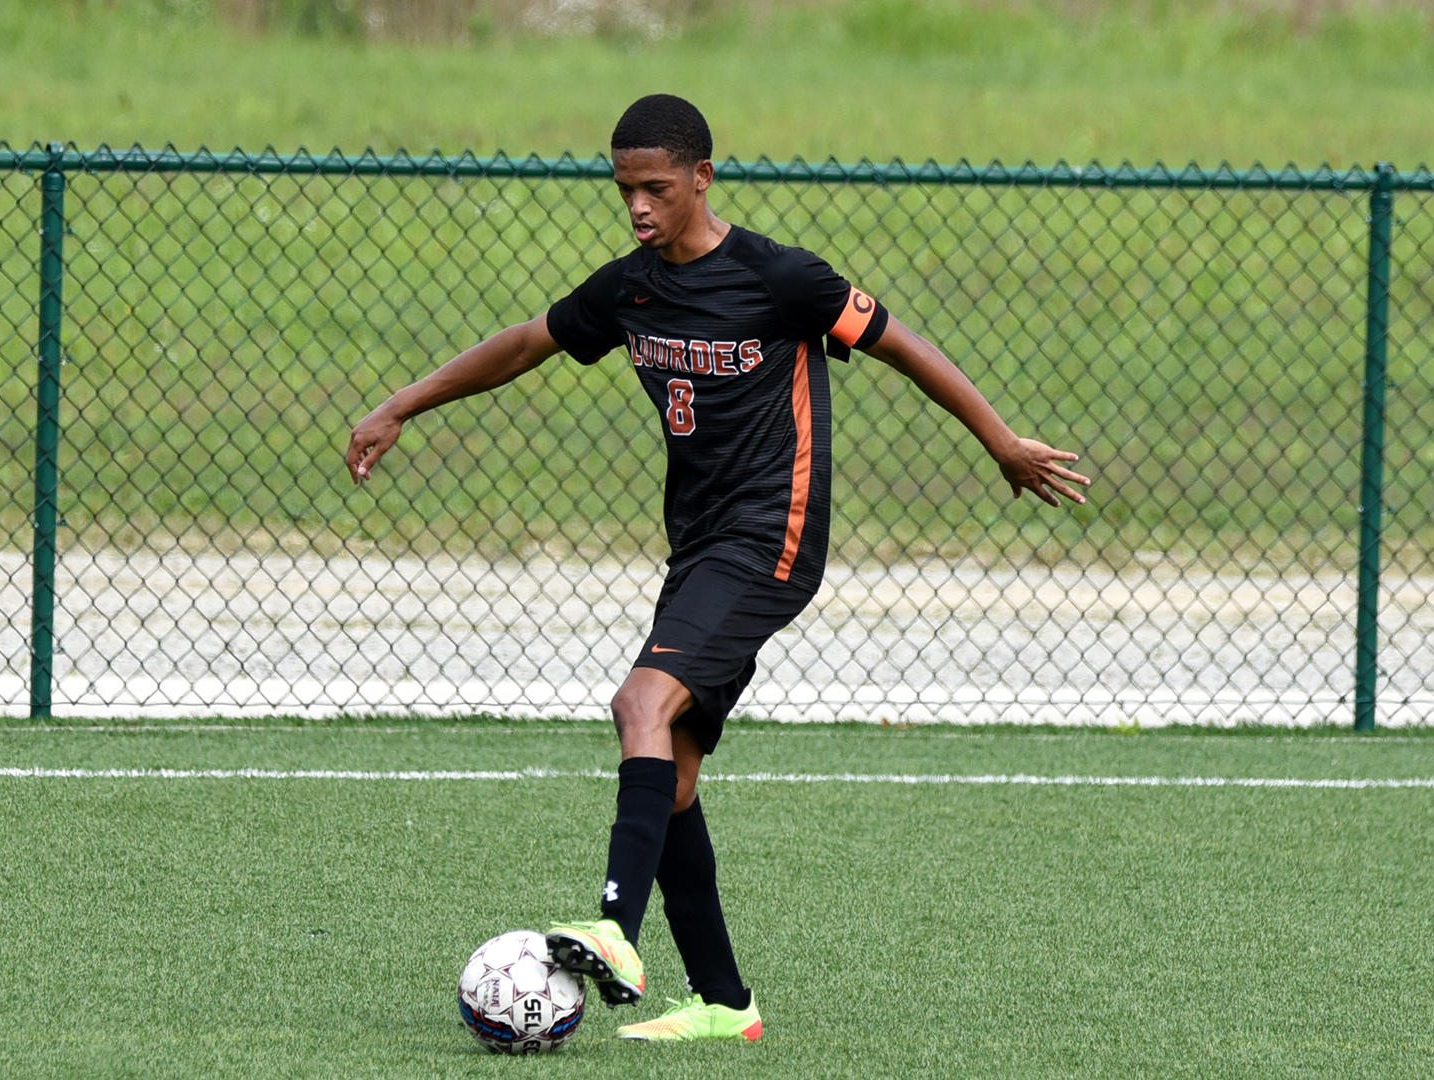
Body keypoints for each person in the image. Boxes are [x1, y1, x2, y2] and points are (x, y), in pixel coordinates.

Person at [344, 93, 1088, 1043]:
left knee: (638, 705)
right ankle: (726, 1005)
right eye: (625, 190)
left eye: (655, 187)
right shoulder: (631, 289)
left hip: (772, 536)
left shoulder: (782, 279)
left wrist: (1000, 442)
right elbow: (527, 344)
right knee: (676, 770)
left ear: (703, 175)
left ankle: (614, 925)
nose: (639, 207)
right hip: (700, 547)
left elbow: (906, 348)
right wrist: (403, 403)